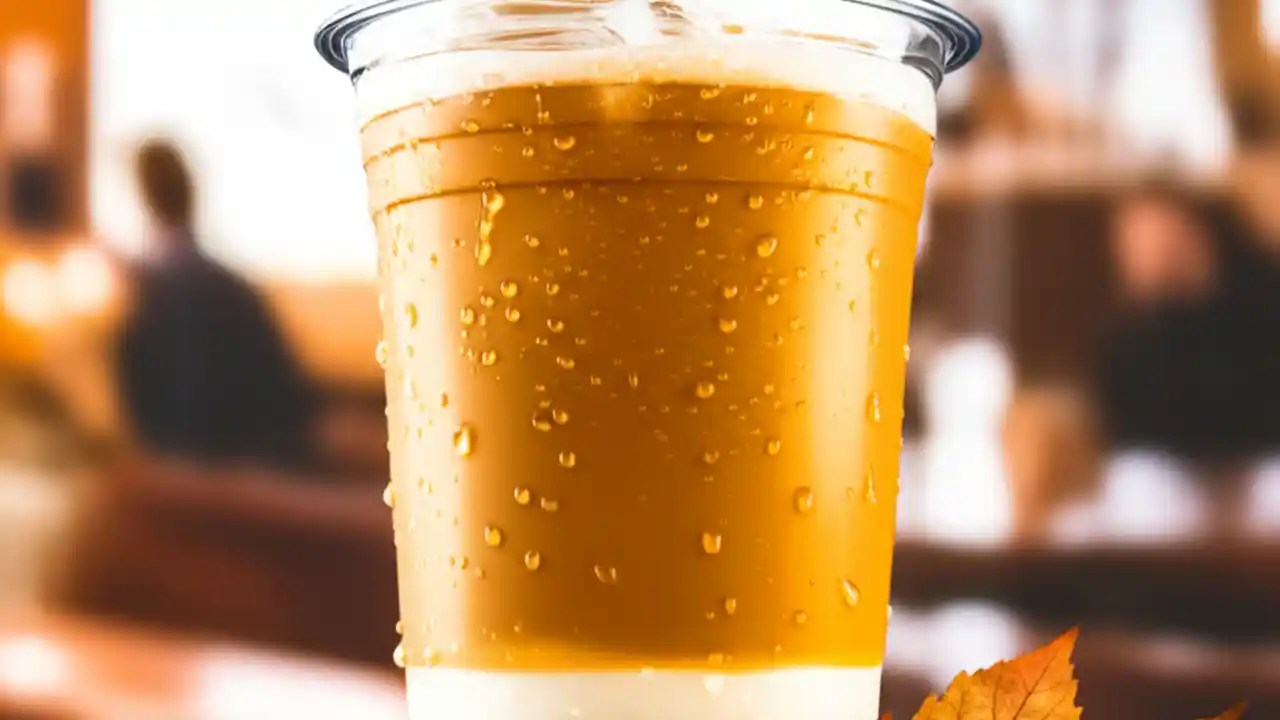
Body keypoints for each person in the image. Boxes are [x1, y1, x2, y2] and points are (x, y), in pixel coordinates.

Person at [116, 139, 316, 469]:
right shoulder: (232, 285)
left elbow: (174, 430)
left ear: (141, 199)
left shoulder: (155, 290)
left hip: (214, 476)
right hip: (273, 456)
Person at [1098, 183, 1280, 465]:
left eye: (1162, 232)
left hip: (1258, 466)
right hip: (1171, 472)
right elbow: (1130, 428)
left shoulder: (1261, 297)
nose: (1151, 249)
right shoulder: (1128, 335)